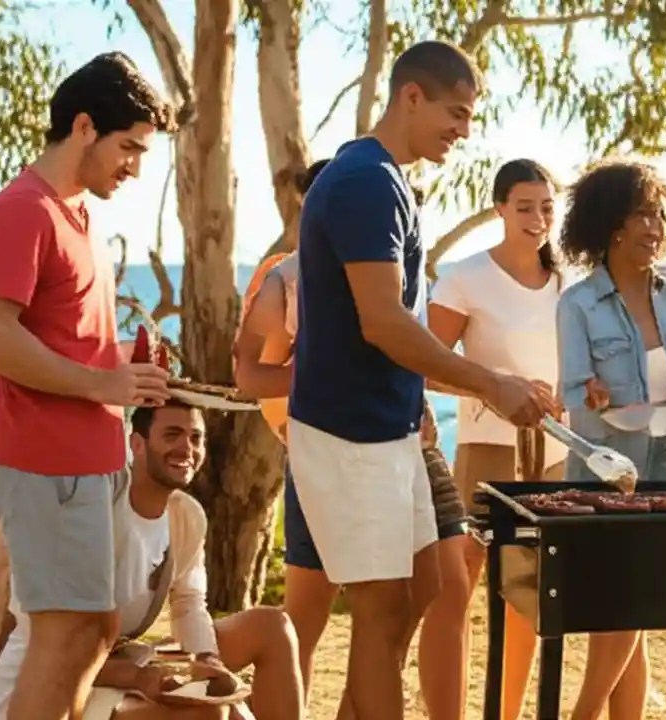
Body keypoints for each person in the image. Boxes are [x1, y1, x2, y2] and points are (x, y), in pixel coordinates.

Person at [288, 40, 558, 719]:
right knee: (381, 610)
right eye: (456, 113)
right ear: (411, 96)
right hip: (350, 433)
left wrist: (424, 405)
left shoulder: (386, 182)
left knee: (424, 588)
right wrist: (490, 383)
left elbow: (390, 325)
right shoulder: (363, 184)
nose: (464, 132)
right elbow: (382, 322)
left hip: (390, 429)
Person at [0, 52, 176, 720]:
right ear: (84, 126)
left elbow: (65, 343)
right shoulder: (23, 210)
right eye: (130, 148)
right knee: (66, 635)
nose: (136, 166)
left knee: (92, 632)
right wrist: (97, 381)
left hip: (88, 461)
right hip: (44, 462)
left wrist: (128, 368)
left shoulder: (76, 215)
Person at [232, 159, 471, 712]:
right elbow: (248, 375)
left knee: (424, 590)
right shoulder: (285, 282)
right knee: (309, 617)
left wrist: (484, 387)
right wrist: (322, 377)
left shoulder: (395, 270)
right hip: (332, 452)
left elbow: (409, 352)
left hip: (409, 444)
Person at [0, 399, 304, 720]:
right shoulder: (93, 510)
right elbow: (53, 641)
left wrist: (207, 661)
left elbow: (189, 603)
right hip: (49, 679)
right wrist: (138, 679)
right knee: (210, 714)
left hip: (124, 660)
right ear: (137, 444)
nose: (187, 448)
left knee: (273, 627)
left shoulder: (186, 516)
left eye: (196, 438)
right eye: (173, 434)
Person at [554, 160, 666, 720]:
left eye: (659, 215)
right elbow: (575, 393)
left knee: (635, 609)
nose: (655, 227)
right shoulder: (576, 304)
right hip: (609, 475)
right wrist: (596, 393)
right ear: (612, 224)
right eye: (642, 214)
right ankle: (583, 716)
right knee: (620, 608)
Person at [424, 159, 567, 719]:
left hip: (553, 454)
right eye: (525, 207)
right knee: (458, 586)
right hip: (486, 452)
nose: (537, 219)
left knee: (529, 597)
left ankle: (506, 714)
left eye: (547, 208)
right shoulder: (465, 277)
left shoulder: (566, 280)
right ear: (500, 208)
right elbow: (424, 364)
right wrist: (495, 387)